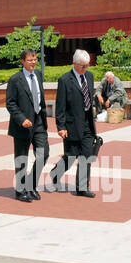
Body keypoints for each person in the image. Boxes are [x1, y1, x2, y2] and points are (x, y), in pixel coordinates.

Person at [49, 49, 97, 197]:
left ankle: (82, 188)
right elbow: (60, 105)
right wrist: (61, 127)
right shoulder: (64, 80)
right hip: (71, 125)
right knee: (71, 156)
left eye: (87, 65)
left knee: (86, 156)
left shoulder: (89, 76)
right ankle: (55, 173)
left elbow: (89, 96)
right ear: (74, 64)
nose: (85, 69)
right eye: (82, 66)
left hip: (88, 124)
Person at [6, 49, 48, 202]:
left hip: (39, 123)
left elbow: (39, 98)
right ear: (22, 61)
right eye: (30, 60)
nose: (34, 62)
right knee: (22, 158)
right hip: (22, 125)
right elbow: (10, 103)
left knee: (44, 154)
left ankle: (30, 185)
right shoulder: (15, 80)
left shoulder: (38, 75)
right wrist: (21, 118)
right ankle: (20, 190)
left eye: (35, 59)